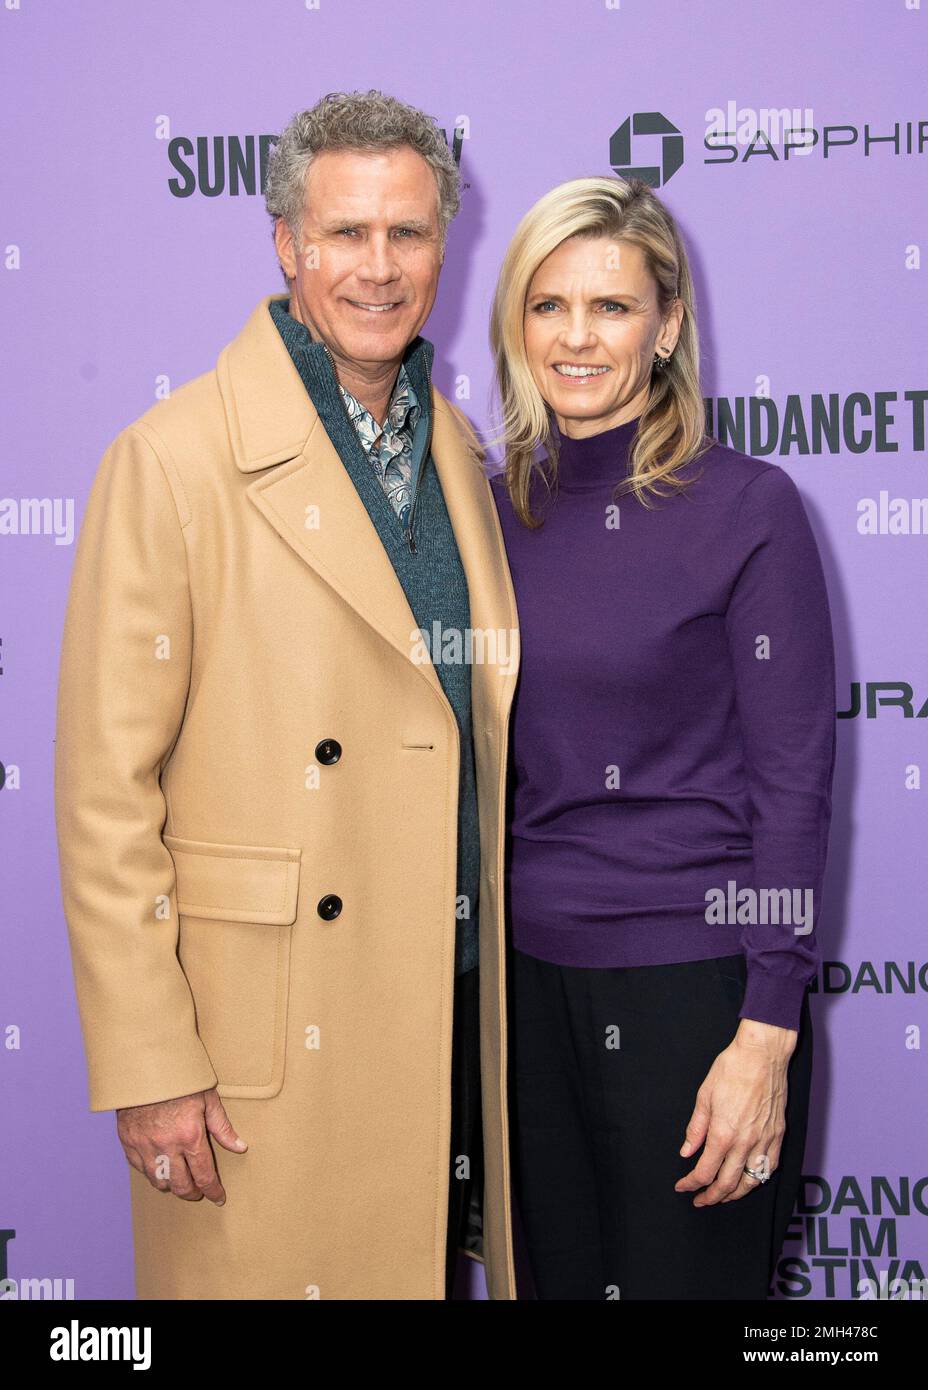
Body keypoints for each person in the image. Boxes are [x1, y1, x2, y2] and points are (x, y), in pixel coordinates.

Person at [53, 90, 521, 1300]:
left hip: (444, 1021)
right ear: (285, 245)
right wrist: (151, 1058)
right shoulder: (173, 459)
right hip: (255, 1053)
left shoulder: (461, 454)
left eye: (407, 235)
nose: (378, 268)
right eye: (345, 234)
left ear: (445, 248)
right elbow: (106, 797)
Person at [487, 175, 836, 1300]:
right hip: (525, 996)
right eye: (549, 306)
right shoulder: (487, 512)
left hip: (698, 996)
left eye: (612, 306)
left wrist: (766, 1035)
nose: (577, 337)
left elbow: (793, 786)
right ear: (516, 325)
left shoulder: (747, 509)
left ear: (668, 326)